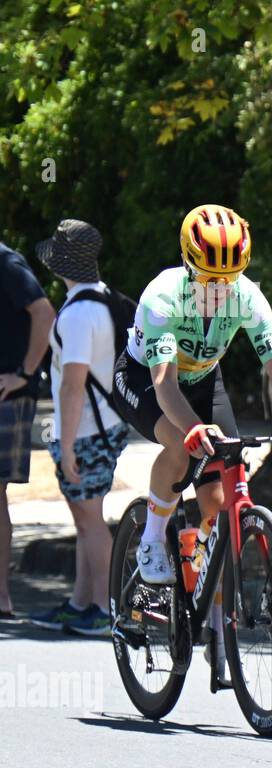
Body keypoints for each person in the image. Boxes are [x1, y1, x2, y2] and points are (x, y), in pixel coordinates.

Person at [110, 204, 272, 670]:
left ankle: (210, 607)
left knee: (218, 501)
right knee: (178, 443)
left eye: (228, 279)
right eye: (209, 279)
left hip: (205, 382)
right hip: (146, 379)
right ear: (189, 266)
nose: (219, 290)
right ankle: (151, 540)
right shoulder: (162, 297)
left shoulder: (247, 297)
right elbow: (166, 386)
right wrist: (191, 429)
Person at [29, 220, 130, 636]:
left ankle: (110, 612)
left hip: (88, 432)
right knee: (87, 519)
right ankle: (81, 603)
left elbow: (72, 385)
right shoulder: (109, 300)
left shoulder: (77, 315)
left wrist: (66, 445)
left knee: (90, 521)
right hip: (109, 425)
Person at [0, 237, 57, 620]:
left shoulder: (6, 261)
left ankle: (1, 595)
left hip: (7, 393)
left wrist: (24, 373)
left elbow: (44, 312)